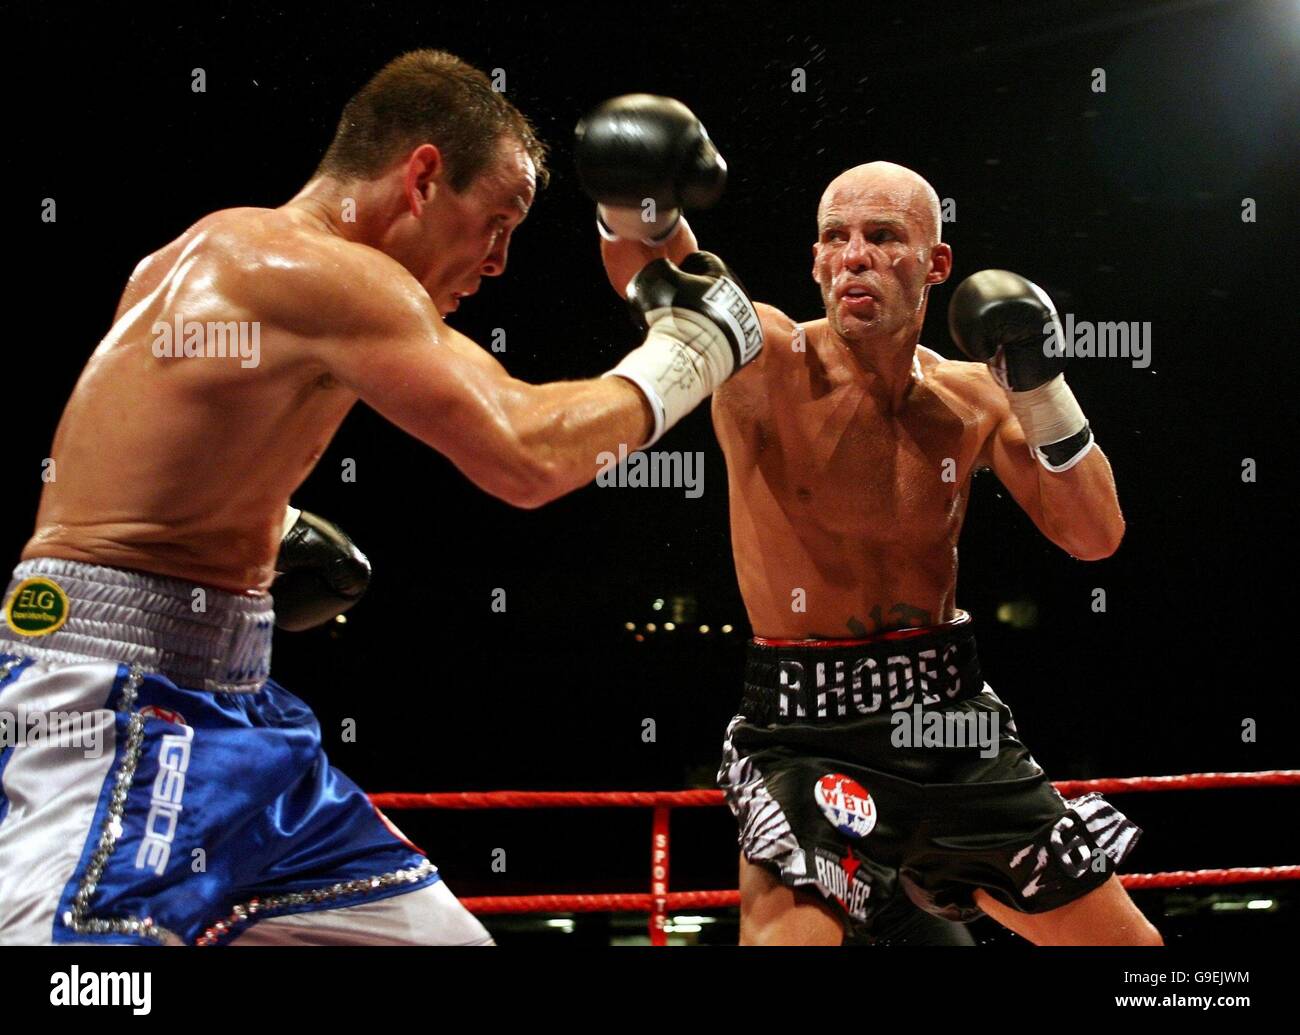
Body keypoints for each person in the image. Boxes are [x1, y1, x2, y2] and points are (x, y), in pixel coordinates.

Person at [0, 51, 761, 946]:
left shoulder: (202, 258)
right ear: (424, 177)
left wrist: (256, 532)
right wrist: (688, 351)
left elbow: (128, 454)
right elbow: (523, 453)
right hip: (119, 701)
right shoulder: (318, 270)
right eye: (497, 222)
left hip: (233, 706)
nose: (500, 262)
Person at [583, 97, 1160, 946]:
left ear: (935, 263)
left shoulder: (975, 396)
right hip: (806, 728)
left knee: (1141, 958)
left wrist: (1040, 382)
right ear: (815, 259)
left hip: (951, 715)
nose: (855, 255)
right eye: (835, 237)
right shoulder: (764, 360)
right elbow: (668, 276)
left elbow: (1095, 535)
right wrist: (634, 196)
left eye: (885, 237)